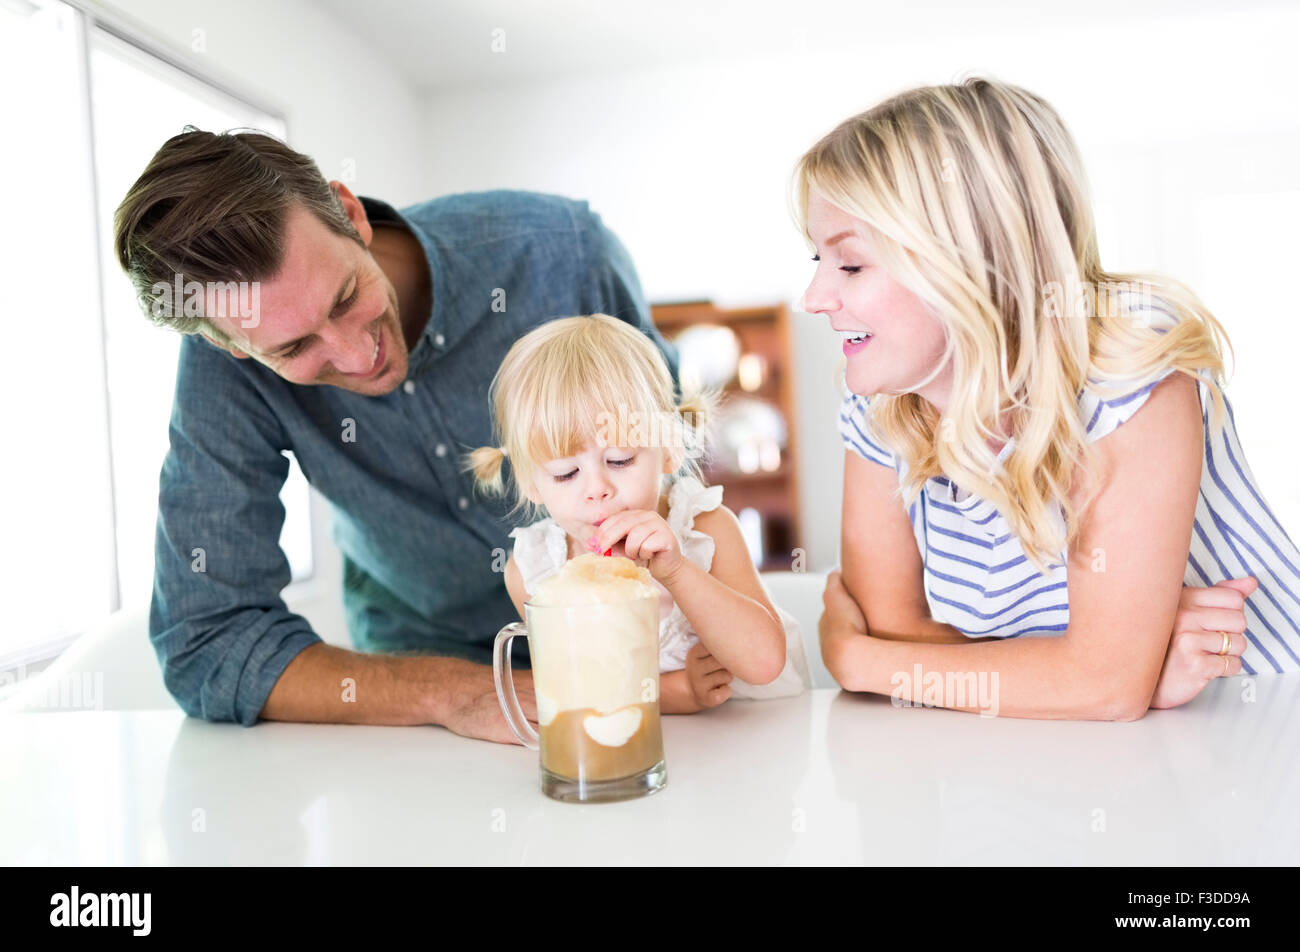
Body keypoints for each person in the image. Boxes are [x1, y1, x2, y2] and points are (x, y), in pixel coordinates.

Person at [113, 128, 679, 739]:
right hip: (414, 684)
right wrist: (452, 694)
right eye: (295, 347)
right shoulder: (222, 365)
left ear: (352, 215)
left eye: (346, 296)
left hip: (635, 651)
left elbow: (677, 459)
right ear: (230, 346)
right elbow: (208, 643)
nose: (358, 359)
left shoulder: (565, 254)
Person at [800, 78, 1300, 719]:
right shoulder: (880, 405)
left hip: (1251, 733)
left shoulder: (1127, 362)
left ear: (971, 260)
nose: (813, 297)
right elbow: (900, 632)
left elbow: (1099, 687)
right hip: (1067, 760)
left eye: (849, 265)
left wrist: (853, 660)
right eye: (815, 259)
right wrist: (1099, 669)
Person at [466, 313, 809, 711]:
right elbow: (577, 690)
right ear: (530, 483)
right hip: (647, 753)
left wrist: (678, 572)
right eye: (566, 473)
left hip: (765, 733)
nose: (597, 490)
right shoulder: (536, 571)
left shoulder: (705, 529)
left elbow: (764, 663)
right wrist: (679, 692)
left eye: (620, 460)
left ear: (668, 449)